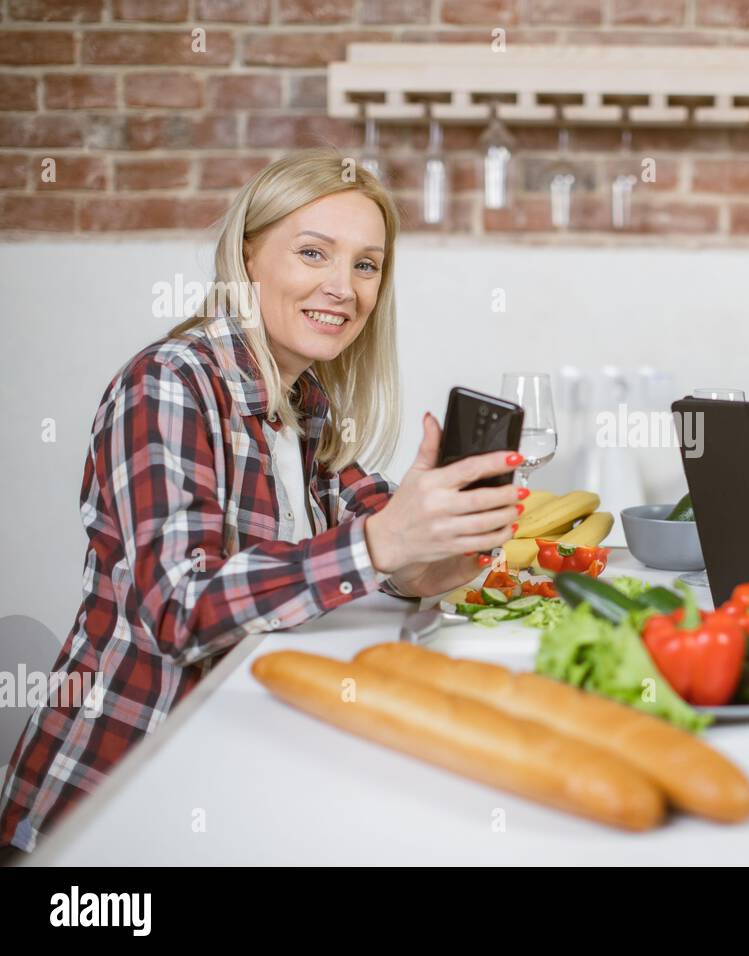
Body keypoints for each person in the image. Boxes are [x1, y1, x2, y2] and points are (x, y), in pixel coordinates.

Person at [0, 148, 525, 859]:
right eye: (314, 253)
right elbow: (180, 610)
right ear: (249, 259)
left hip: (226, 787)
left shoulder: (306, 406)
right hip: (105, 814)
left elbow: (378, 533)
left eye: (366, 265)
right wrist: (380, 547)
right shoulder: (170, 384)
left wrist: (434, 551)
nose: (343, 287)